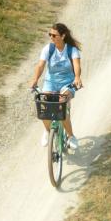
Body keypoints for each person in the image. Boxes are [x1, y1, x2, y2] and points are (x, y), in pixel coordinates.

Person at [29, 23, 83, 151]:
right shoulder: (48, 49)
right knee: (44, 105)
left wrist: (77, 78)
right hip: (51, 82)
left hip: (67, 82)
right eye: (50, 35)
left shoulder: (71, 50)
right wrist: (35, 79)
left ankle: (71, 136)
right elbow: (40, 65)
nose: (51, 37)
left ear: (63, 36)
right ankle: (48, 131)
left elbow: (77, 65)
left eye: (54, 35)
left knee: (61, 105)